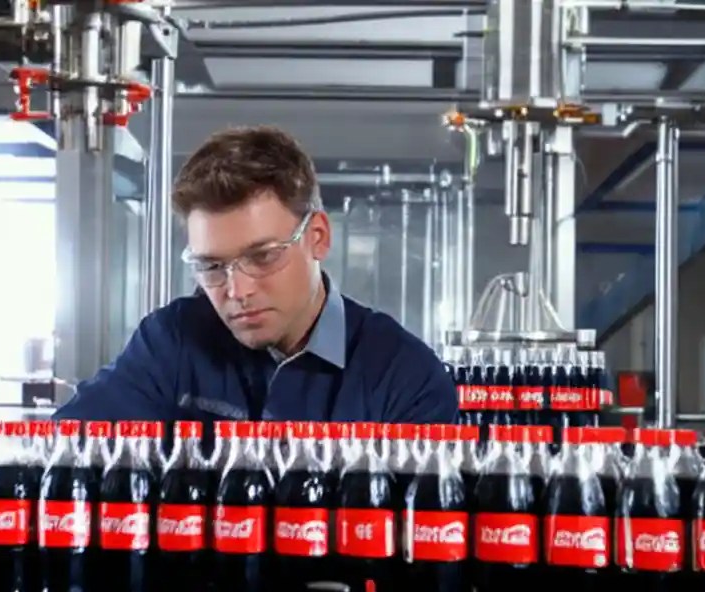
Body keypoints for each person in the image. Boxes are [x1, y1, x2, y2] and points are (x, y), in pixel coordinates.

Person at [55, 126, 457, 424]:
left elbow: (424, 529)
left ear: (317, 237)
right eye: (211, 266)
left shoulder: (403, 376)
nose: (237, 290)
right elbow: (67, 451)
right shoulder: (172, 342)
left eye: (263, 257)